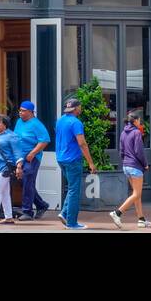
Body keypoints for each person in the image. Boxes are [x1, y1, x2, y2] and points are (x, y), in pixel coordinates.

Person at [55, 97, 96, 230]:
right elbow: (82, 143)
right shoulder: (76, 122)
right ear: (77, 108)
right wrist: (91, 163)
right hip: (72, 160)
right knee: (74, 191)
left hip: (61, 158)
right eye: (80, 107)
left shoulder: (60, 120)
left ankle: (64, 213)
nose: (81, 109)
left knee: (72, 188)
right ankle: (72, 223)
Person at [110, 110, 150, 229]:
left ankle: (141, 219)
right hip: (135, 166)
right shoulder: (136, 133)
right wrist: (145, 164)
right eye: (139, 121)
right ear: (136, 121)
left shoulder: (123, 132)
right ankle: (117, 213)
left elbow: (121, 151)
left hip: (126, 166)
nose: (140, 122)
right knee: (137, 193)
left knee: (135, 194)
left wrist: (125, 161)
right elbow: (139, 151)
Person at [12, 100, 50, 221]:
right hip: (19, 158)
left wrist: (33, 153)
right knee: (24, 182)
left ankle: (27, 212)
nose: (20, 113)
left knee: (27, 181)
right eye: (20, 110)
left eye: (23, 111)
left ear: (30, 112)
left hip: (31, 158)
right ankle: (41, 205)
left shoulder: (36, 124)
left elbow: (44, 140)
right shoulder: (19, 122)